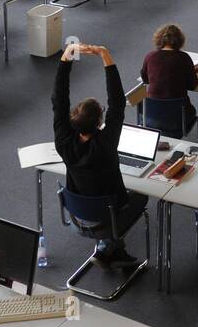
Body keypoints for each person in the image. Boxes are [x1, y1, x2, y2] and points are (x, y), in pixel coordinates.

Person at [53, 42, 144, 268]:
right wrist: (105, 54)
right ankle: (111, 244)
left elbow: (59, 99)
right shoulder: (106, 142)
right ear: (100, 122)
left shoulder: (63, 141)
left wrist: (65, 59)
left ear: (73, 121)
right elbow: (118, 102)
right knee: (141, 196)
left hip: (78, 212)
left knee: (106, 203)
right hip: (108, 213)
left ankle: (107, 247)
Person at [139, 23, 198, 132]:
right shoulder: (184, 58)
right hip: (178, 118)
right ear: (180, 40)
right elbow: (192, 85)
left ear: (159, 39)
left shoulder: (150, 56)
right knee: (191, 110)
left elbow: (145, 79)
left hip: (151, 115)